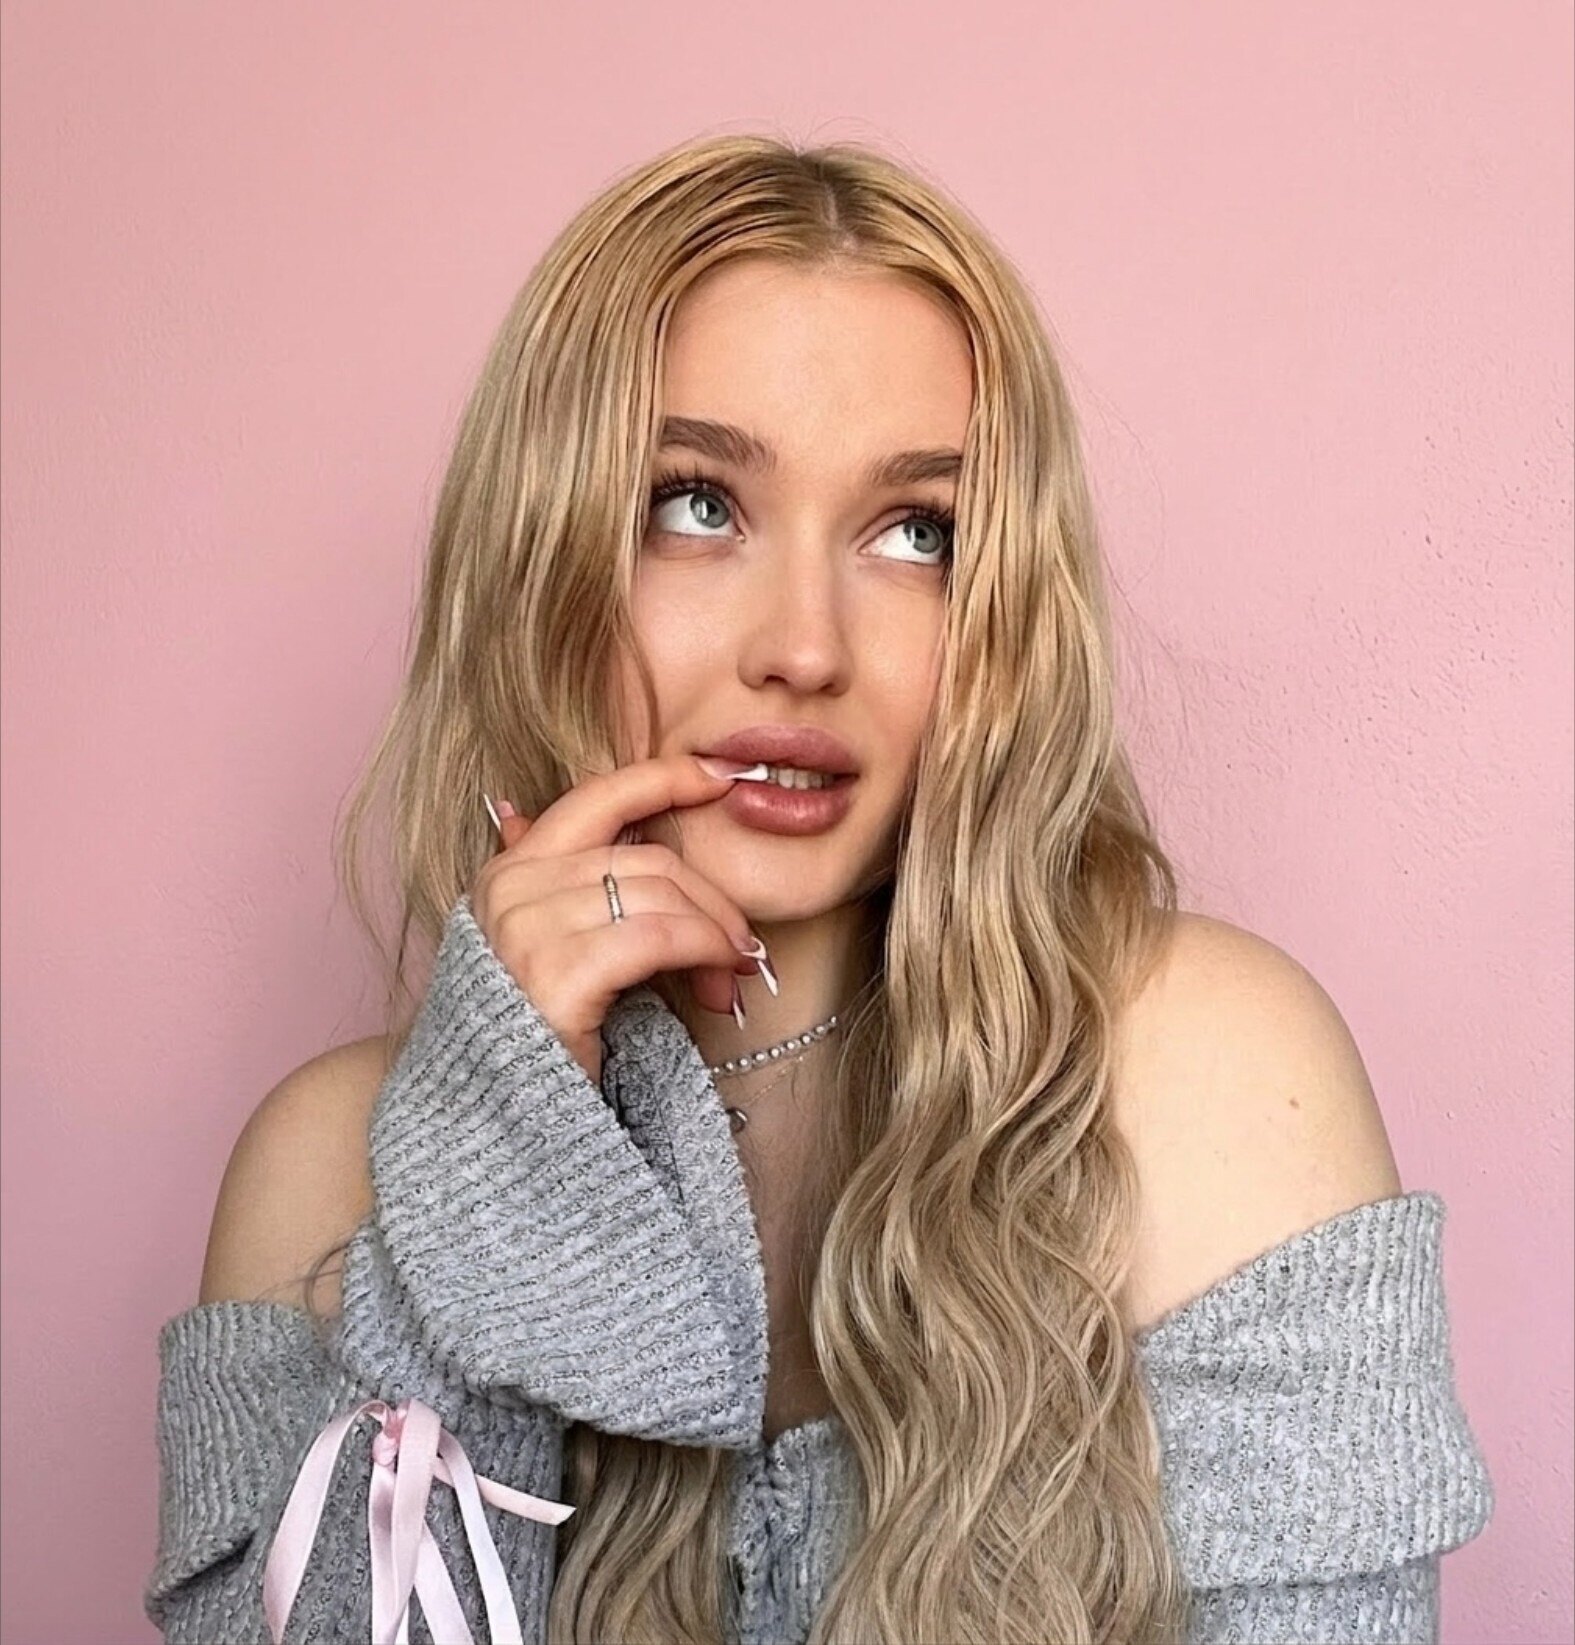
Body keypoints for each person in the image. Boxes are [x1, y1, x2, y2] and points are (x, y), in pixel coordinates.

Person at [144, 133, 1493, 1645]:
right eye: (696, 504)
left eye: (918, 533)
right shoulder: (331, 1165)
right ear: (541, 557)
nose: (805, 646)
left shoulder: (1202, 1070)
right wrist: (497, 1159)